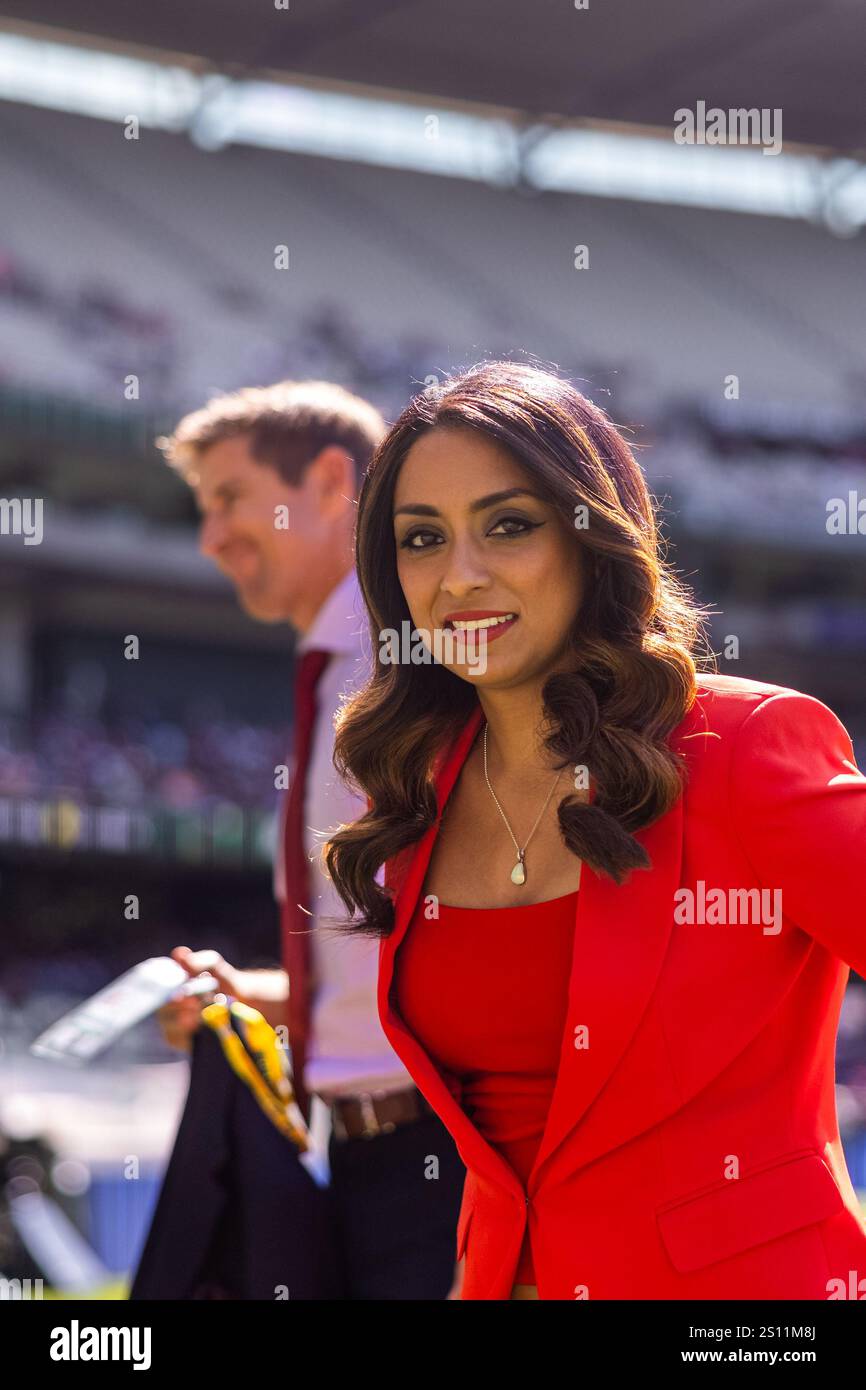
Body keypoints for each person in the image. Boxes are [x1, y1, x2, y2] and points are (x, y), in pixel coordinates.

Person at [323, 359, 866, 1301]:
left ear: (592, 536)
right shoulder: (415, 798)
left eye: (509, 526)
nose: (461, 576)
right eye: (422, 539)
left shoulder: (746, 748)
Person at [155, 380, 465, 1299]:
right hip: (365, 1152)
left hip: (444, 1156)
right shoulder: (339, 666)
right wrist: (259, 997)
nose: (210, 536)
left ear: (332, 481)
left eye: (229, 499)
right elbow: (398, 949)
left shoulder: (414, 663)